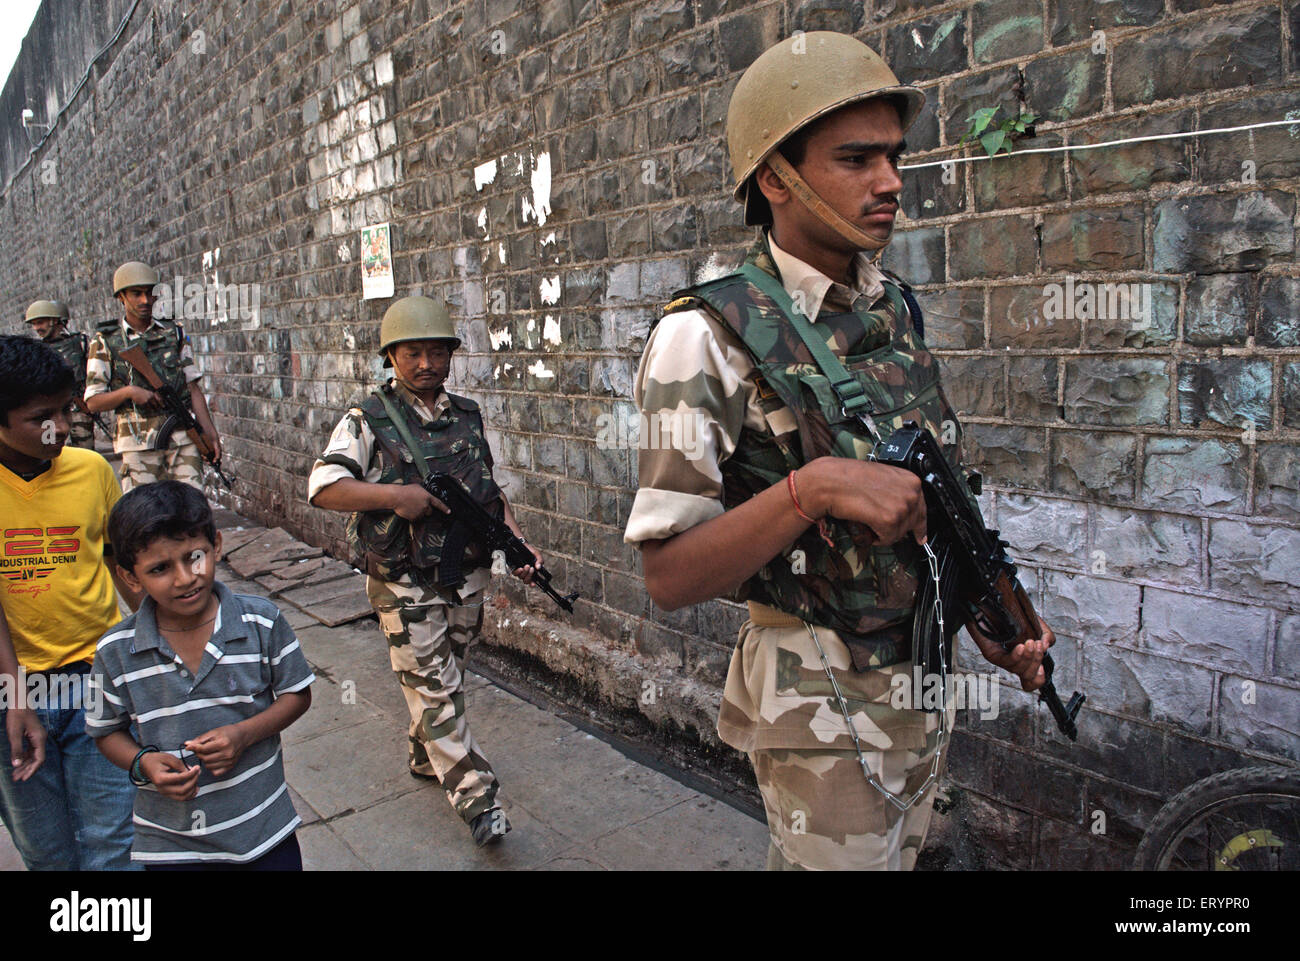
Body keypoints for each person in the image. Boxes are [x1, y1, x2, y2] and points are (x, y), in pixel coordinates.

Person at [623, 32, 1057, 870]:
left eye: (893, 156)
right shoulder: (704, 337)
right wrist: (811, 489)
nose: (890, 182)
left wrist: (988, 614)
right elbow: (668, 576)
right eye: (855, 159)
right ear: (775, 176)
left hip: (919, 683)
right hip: (819, 708)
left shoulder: (890, 307)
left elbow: (927, 503)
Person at [307, 295, 541, 847]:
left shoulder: (466, 415)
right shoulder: (367, 419)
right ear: (391, 356)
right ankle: (478, 800)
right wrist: (395, 496)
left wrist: (517, 543)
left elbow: (486, 492)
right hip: (403, 582)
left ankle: (424, 754)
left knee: (447, 674)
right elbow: (323, 487)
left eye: (438, 352)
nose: (427, 363)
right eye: (413, 353)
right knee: (436, 688)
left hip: (464, 575)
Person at [85, 481, 314, 869]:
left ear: (217, 546)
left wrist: (244, 734)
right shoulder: (114, 652)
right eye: (160, 568)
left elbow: (297, 694)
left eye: (194, 557)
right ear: (131, 577)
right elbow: (105, 730)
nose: (185, 577)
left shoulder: (263, 621)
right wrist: (143, 764)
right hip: (171, 844)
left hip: (263, 830)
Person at [0, 335, 138, 870]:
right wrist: (17, 697)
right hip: (13, 692)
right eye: (41, 417)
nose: (61, 425)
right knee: (45, 848)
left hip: (95, 678)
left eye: (65, 408)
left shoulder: (92, 471)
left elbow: (123, 568)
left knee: (115, 842)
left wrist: (162, 642)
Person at [84, 261, 222, 493]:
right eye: (136, 294)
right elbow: (93, 402)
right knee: (147, 517)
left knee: (192, 509)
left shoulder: (174, 333)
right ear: (121, 297)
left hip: (182, 439)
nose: (145, 301)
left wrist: (209, 432)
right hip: (138, 445)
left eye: (149, 293)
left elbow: (192, 387)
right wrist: (129, 392)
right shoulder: (106, 341)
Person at [24, 299, 95, 450]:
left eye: (41, 322)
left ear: (55, 321)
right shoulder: (37, 349)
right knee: (50, 451)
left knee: (84, 453)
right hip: (49, 411)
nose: (37, 328)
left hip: (80, 410)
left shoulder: (80, 342)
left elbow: (93, 372)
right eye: (34, 324)